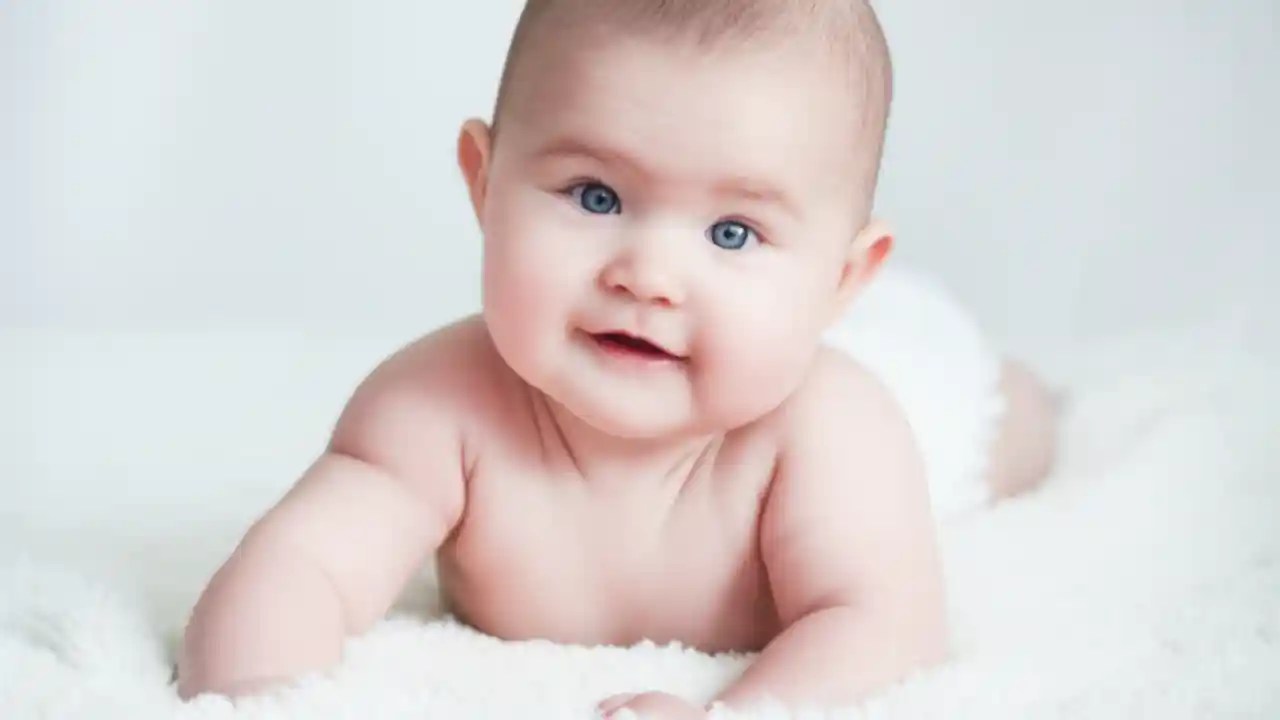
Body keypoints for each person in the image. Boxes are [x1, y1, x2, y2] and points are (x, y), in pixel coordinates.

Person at [178, 2, 1059, 717]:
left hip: (909, 379)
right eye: (596, 196)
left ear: (841, 278)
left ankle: (1030, 395)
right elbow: (302, 565)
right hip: (759, 334)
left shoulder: (834, 430)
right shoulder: (434, 409)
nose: (649, 276)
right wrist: (259, 693)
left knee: (1001, 420)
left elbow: (882, 623)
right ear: (484, 183)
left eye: (732, 232)